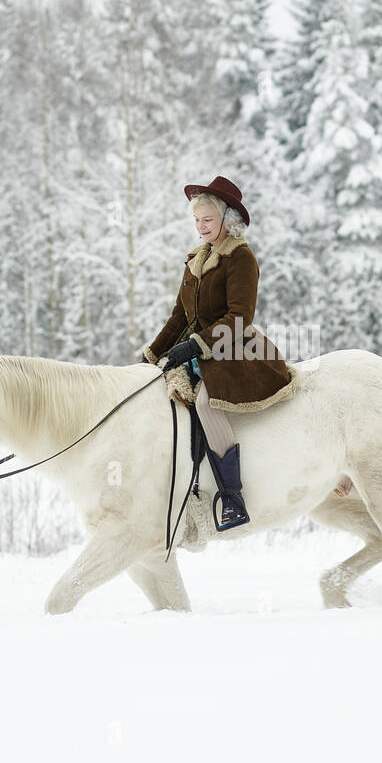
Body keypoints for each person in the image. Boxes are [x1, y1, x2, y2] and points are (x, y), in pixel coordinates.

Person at [141, 176, 320, 530]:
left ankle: (232, 496)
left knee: (206, 402)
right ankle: (184, 488)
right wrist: (151, 356)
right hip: (198, 351)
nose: (200, 227)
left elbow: (240, 317)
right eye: (196, 221)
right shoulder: (195, 260)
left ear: (227, 220)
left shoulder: (241, 257)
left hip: (234, 350)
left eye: (207, 220)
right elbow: (179, 317)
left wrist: (196, 344)